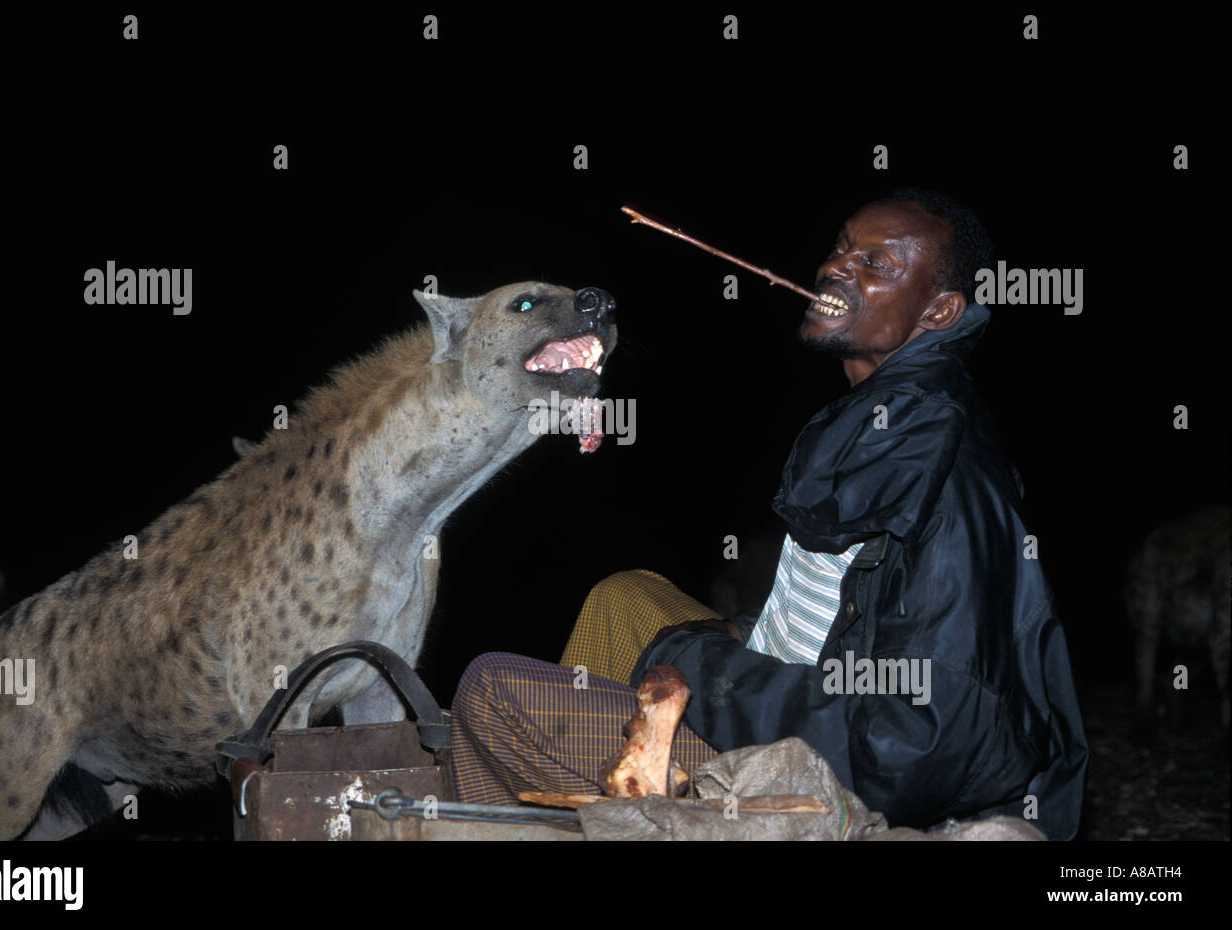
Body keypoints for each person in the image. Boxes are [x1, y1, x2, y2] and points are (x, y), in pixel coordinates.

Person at [449, 188, 1090, 840]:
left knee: (488, 687)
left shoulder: (942, 484)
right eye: (842, 248)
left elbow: (908, 750)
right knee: (624, 596)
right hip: (802, 693)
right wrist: (746, 634)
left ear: (939, 310)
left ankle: (596, 808)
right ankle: (612, 792)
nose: (838, 268)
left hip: (826, 778)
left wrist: (701, 666)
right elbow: (848, 618)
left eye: (877, 264)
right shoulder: (887, 422)